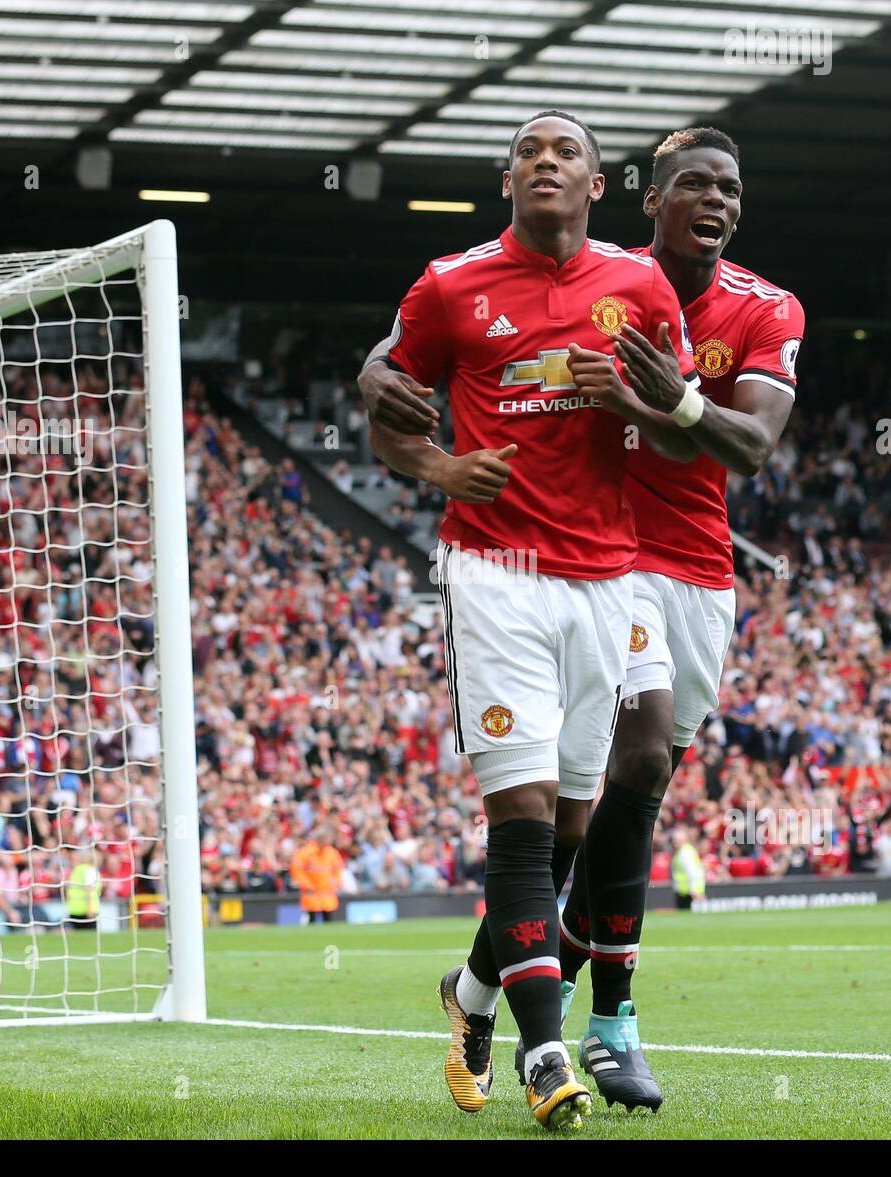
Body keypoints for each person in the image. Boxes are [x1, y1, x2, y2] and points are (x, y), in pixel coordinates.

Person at [361, 125, 801, 1112]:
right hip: (570, 562)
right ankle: (594, 1031)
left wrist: (665, 403)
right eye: (691, 182)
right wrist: (422, 448)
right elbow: (387, 371)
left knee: (578, 814)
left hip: (689, 571)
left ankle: (474, 991)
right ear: (646, 198)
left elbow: (743, 449)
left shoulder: (741, 306)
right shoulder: (480, 278)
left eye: (727, 186)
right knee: (626, 763)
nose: (712, 200)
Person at [289, 824, 344, 923]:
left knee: (328, 920)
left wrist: (336, 882)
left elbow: (338, 870)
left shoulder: (331, 852)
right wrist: (306, 883)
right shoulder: (306, 852)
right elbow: (296, 869)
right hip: (311, 894)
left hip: (327, 894)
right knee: (312, 919)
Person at [671, 826, 705, 910]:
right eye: (674, 840)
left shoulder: (685, 853)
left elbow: (693, 872)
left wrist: (695, 891)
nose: (675, 842)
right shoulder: (681, 851)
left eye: (678, 840)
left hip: (689, 893)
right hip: (684, 891)